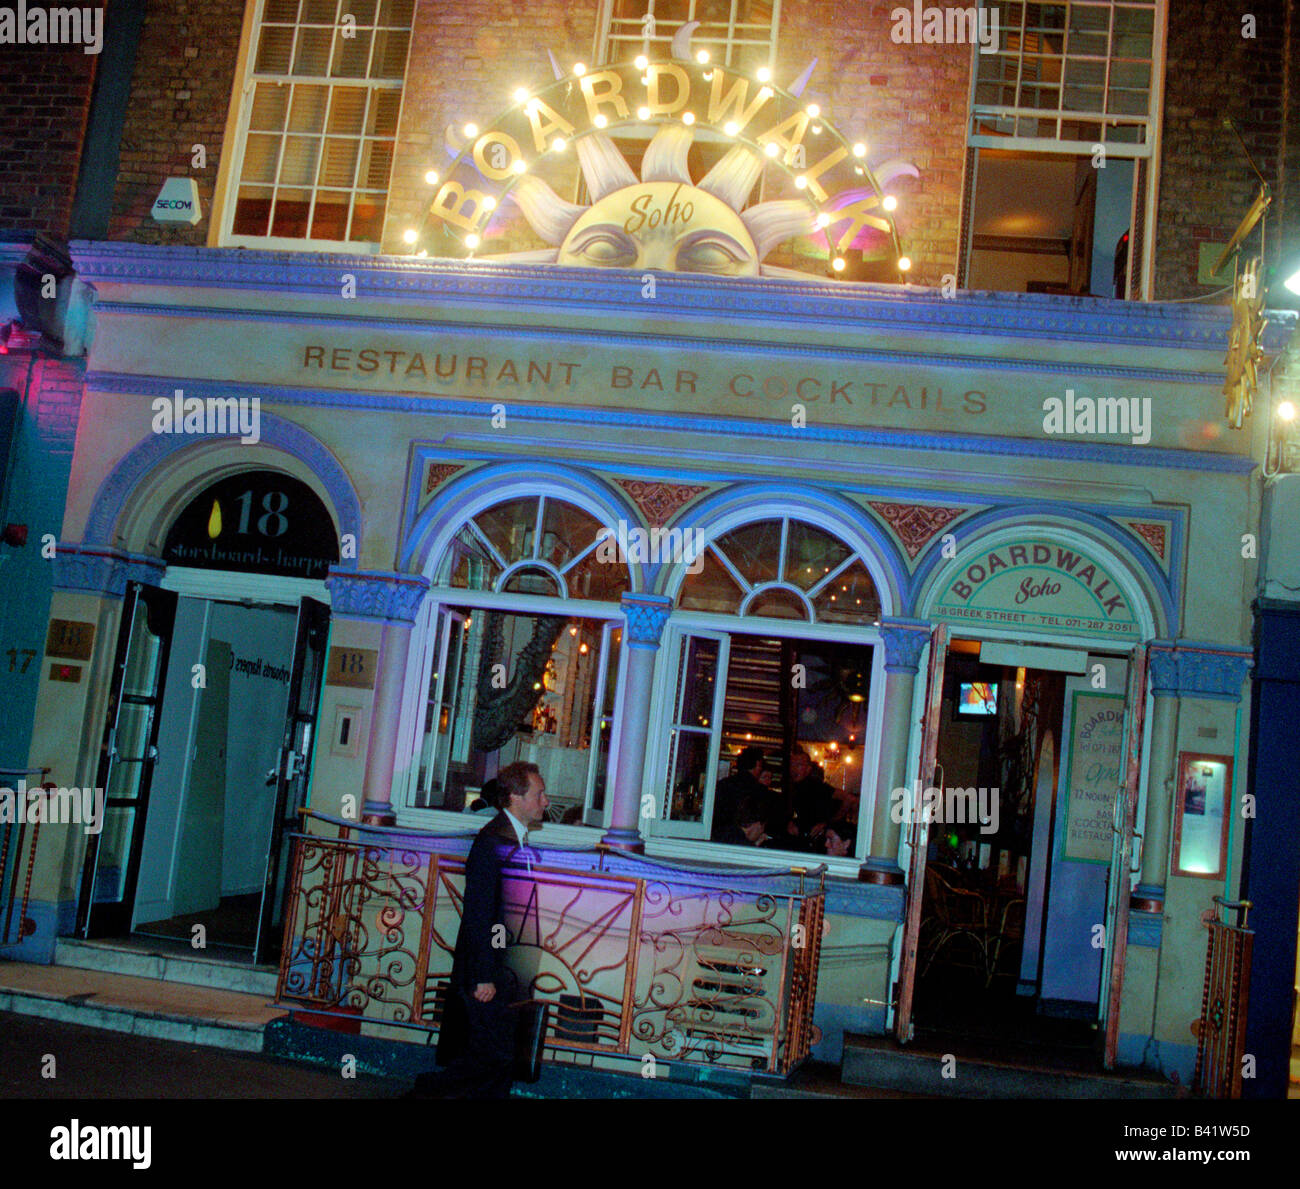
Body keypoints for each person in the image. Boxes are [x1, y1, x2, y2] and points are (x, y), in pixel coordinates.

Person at [410, 761, 548, 1099]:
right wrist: (486, 974)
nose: (545, 802)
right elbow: (481, 913)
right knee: (490, 1056)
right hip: (488, 971)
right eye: (539, 794)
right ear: (515, 797)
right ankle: (423, 1093)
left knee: (496, 1056)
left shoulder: (512, 839)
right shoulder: (492, 842)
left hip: (502, 967)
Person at [710, 746, 770, 841]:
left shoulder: (722, 785)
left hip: (718, 837)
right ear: (758, 764)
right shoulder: (759, 791)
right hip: (743, 842)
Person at [785, 747, 837, 850]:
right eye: (792, 764)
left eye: (799, 765)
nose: (794, 769)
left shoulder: (816, 786)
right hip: (800, 840)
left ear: (808, 769)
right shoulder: (791, 787)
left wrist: (826, 824)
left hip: (815, 843)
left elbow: (848, 799)